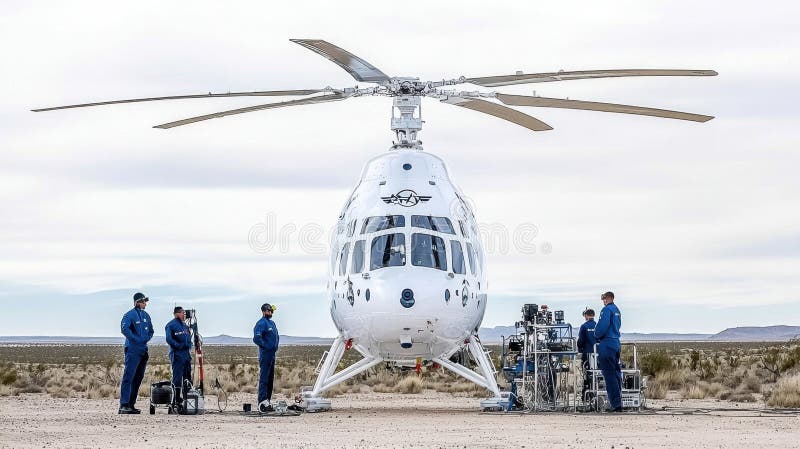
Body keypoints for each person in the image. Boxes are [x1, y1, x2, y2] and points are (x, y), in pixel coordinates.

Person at [119, 292, 154, 414]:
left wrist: (146, 339)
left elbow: (151, 330)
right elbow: (124, 329)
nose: (145, 303)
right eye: (143, 301)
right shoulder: (129, 315)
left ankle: (131, 404)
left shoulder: (146, 315)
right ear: (137, 302)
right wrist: (135, 339)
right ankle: (124, 405)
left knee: (138, 378)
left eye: (145, 301)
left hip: (143, 349)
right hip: (132, 349)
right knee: (129, 377)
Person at [594, 291, 622, 412]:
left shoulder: (606, 310)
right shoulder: (617, 310)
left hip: (607, 343)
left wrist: (596, 334)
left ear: (607, 298)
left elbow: (602, 327)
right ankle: (618, 401)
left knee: (609, 374)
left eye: (604, 299)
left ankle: (615, 404)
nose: (603, 301)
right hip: (616, 342)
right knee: (616, 374)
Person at [253, 303, 279, 412]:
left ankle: (267, 401)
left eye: (272, 311)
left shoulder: (272, 323)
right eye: (269, 311)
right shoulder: (261, 323)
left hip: (272, 354)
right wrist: (265, 346)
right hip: (265, 354)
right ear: (264, 311)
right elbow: (256, 338)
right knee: (264, 379)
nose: (271, 313)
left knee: (270, 379)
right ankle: (262, 401)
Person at [165, 306, 193, 410]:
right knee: (177, 378)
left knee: (187, 378)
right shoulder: (170, 325)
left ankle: (187, 399)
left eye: (185, 313)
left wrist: (189, 345)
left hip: (186, 355)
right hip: (177, 355)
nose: (184, 315)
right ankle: (176, 400)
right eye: (182, 313)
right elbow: (169, 339)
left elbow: (189, 338)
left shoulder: (185, 325)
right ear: (177, 314)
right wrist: (178, 345)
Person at [576, 308, 597, 400]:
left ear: (586, 315)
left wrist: (580, 348)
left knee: (587, 374)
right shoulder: (598, 326)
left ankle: (587, 395)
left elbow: (580, 341)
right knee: (598, 374)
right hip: (599, 354)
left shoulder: (584, 326)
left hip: (587, 354)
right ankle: (597, 393)